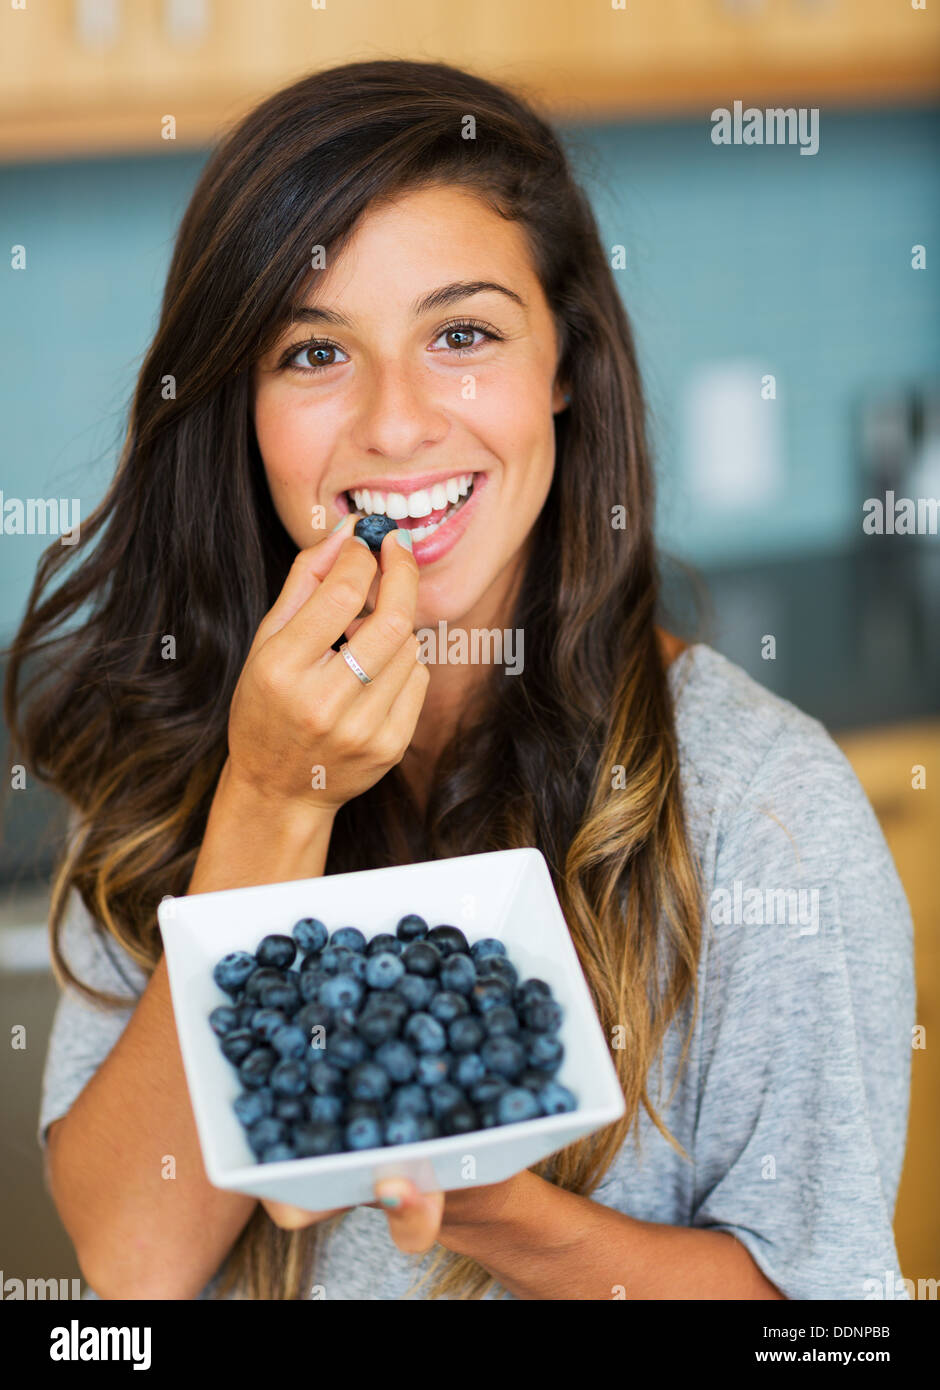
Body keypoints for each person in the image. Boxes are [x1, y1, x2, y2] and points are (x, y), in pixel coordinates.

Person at [4, 59, 913, 1301]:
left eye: (462, 334)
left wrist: (489, 1207)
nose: (393, 424)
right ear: (239, 407)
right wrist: (272, 795)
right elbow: (132, 1257)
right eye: (314, 352)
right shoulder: (175, 737)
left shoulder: (765, 811)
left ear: (563, 368)